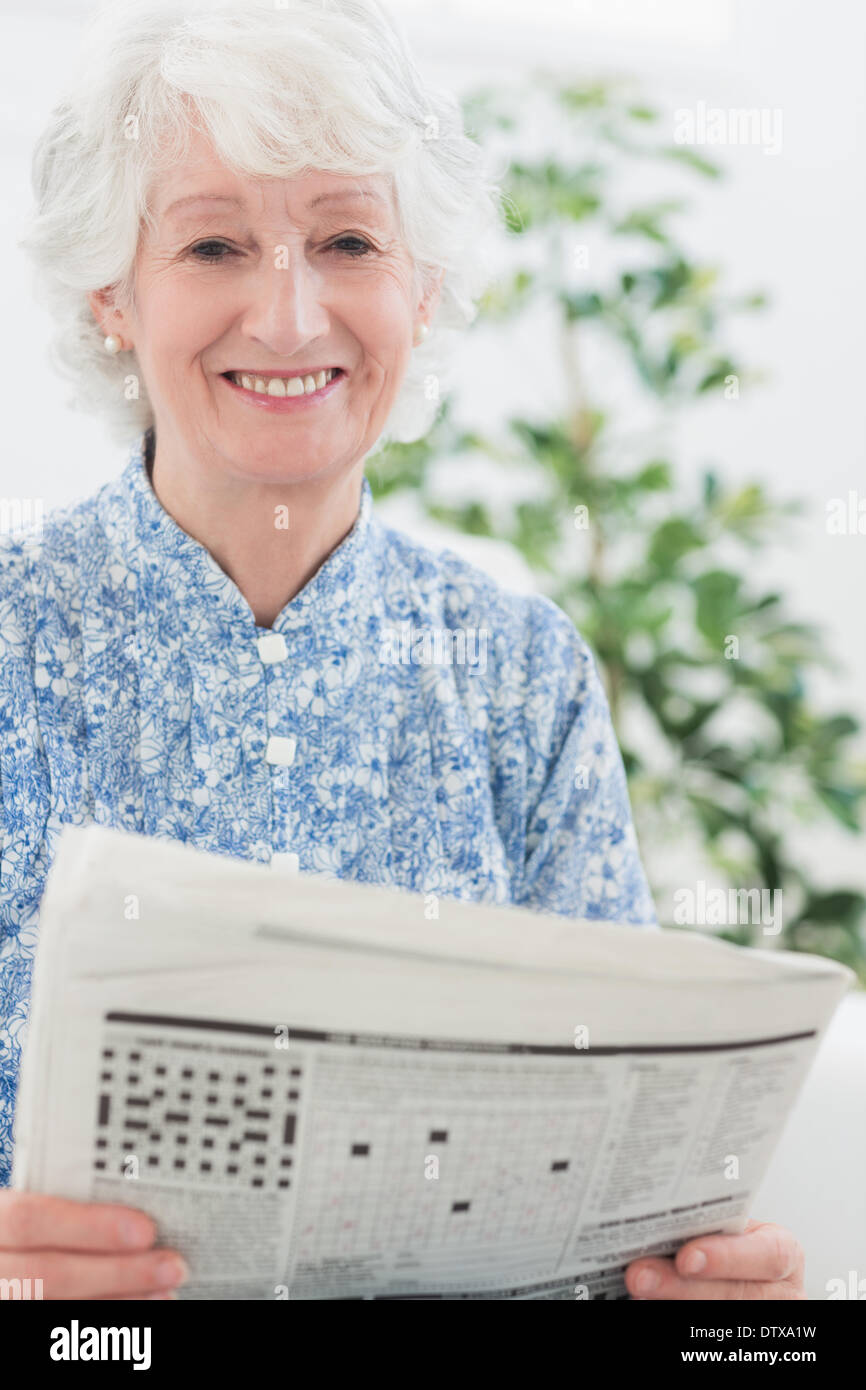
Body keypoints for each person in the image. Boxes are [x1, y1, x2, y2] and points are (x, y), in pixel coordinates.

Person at [0, 0, 804, 1301]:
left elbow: (624, 1211)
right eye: (213, 242)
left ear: (420, 292)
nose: (287, 312)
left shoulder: (522, 672)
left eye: (347, 240)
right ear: (110, 295)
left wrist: (703, 1301)